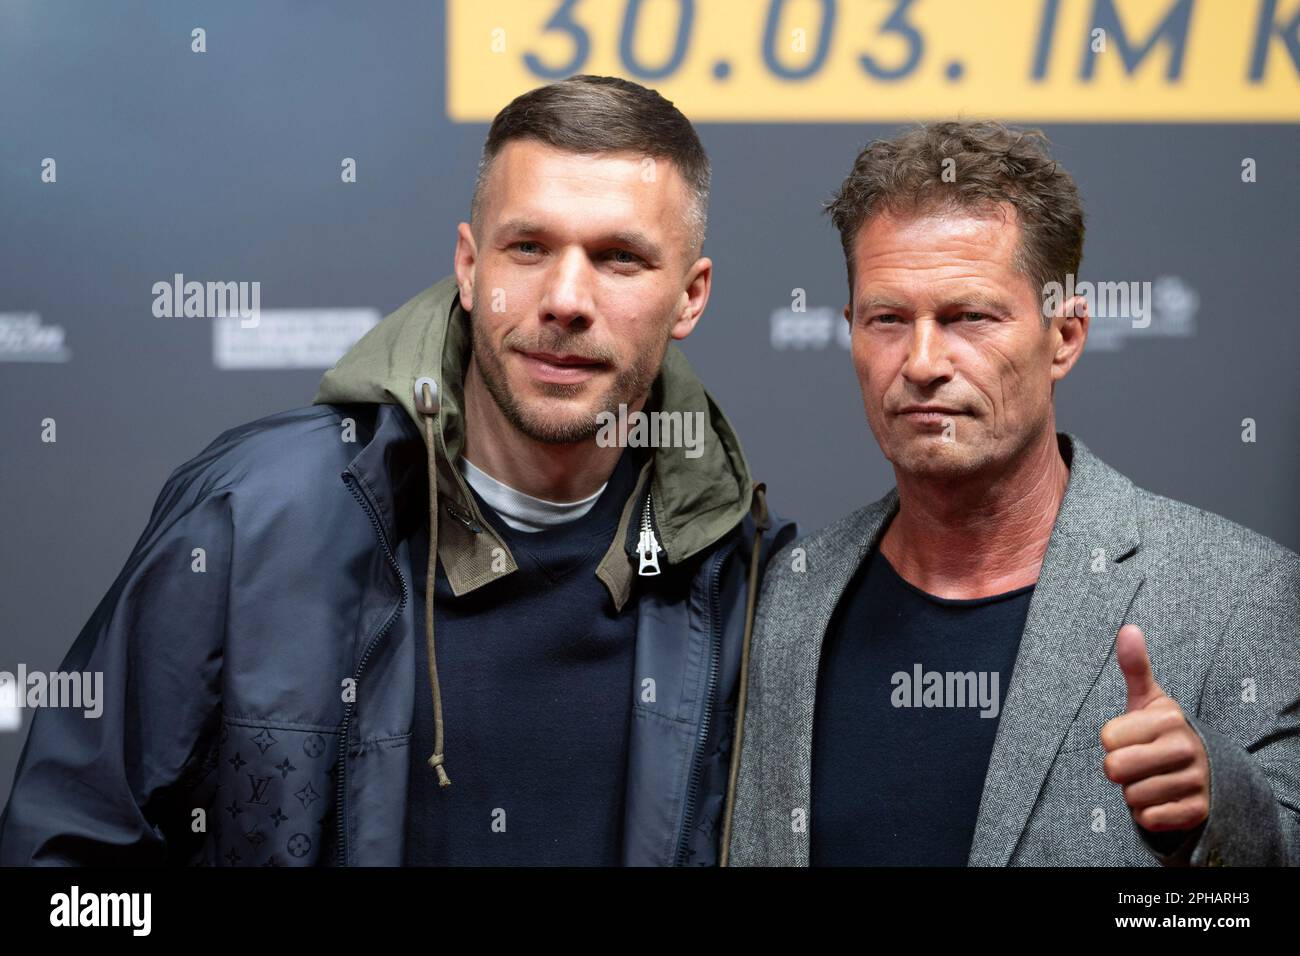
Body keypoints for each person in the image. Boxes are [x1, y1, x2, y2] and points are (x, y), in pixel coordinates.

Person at [0, 74, 795, 866]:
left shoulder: (752, 587)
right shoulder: (251, 520)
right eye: (529, 247)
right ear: (469, 264)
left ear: (690, 296)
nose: (564, 298)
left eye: (619, 258)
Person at [725, 120, 1299, 867]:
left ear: (1063, 335)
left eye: (969, 317)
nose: (923, 362)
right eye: (889, 319)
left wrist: (1215, 815)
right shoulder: (779, 604)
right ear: (851, 333)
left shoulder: (1239, 599)